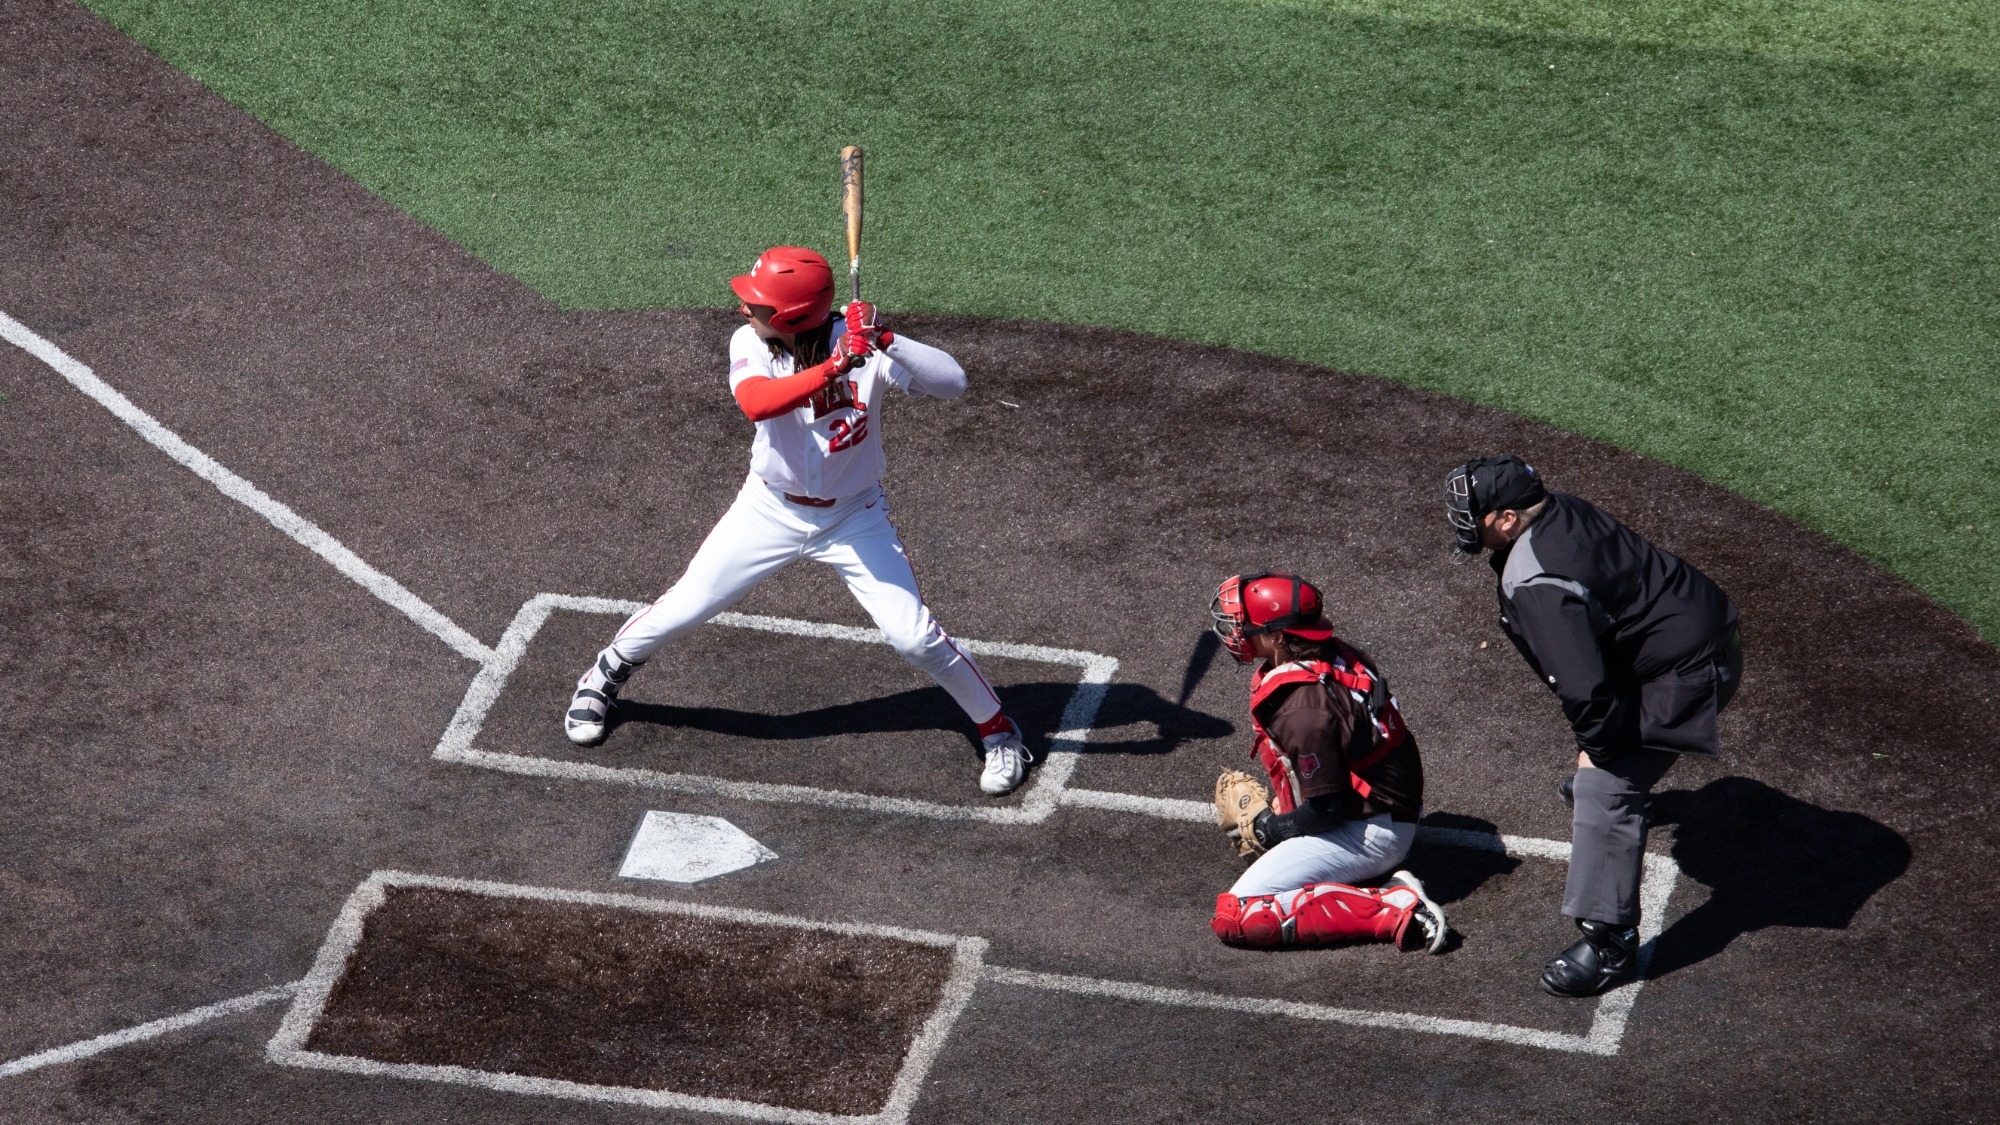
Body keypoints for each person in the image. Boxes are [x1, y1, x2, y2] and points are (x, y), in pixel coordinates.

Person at [563, 246, 1033, 796]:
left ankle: (1000, 731)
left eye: (757, 303)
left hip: (855, 518)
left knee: (914, 639)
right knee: (687, 606)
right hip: (770, 509)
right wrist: (836, 367)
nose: (744, 309)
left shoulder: (864, 348)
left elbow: (953, 383)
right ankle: (605, 673)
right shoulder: (751, 343)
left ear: (790, 315)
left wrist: (885, 340)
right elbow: (759, 404)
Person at [1444, 454, 1742, 996]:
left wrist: (1600, 757)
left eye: (1475, 514)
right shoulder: (1559, 512)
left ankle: (1609, 940)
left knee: (1605, 786)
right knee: (1601, 753)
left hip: (1693, 671)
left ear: (1508, 519)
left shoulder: (1534, 577)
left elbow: (1585, 691)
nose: (1465, 523)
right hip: (1694, 631)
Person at [1206, 572, 1447, 954]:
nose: (1237, 633)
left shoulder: (1303, 707)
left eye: (1246, 625)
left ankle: (1395, 905)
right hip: (1385, 801)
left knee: (1239, 916)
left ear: (1278, 637)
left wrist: (1274, 829)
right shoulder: (1333, 653)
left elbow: (1328, 809)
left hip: (1370, 831)